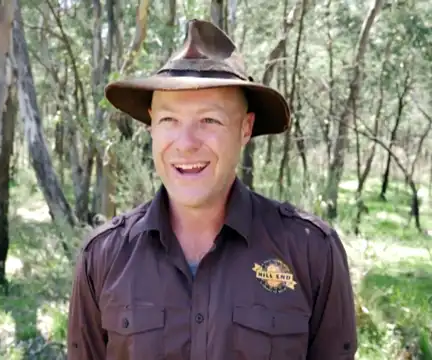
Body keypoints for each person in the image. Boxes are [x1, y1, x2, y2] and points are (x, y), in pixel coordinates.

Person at [67, 19, 357, 360]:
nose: (185, 144)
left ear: (245, 128)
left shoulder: (311, 252)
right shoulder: (103, 257)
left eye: (209, 120)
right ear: (151, 127)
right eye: (169, 121)